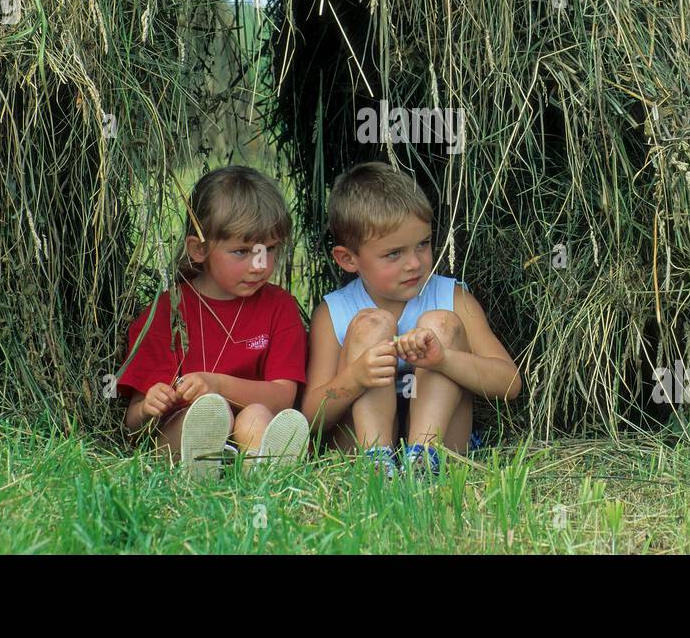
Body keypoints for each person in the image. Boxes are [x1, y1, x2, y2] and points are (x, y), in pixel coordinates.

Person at [300, 161, 521, 475]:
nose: (415, 263)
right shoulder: (333, 312)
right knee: (369, 325)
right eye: (394, 253)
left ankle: (422, 460)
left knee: (440, 324)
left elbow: (509, 383)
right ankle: (376, 461)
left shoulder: (453, 299)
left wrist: (444, 360)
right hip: (357, 449)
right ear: (348, 259)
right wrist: (355, 377)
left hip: (445, 446)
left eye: (423, 245)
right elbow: (311, 418)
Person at [117, 165, 309, 479]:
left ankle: (264, 472)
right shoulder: (168, 311)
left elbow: (283, 396)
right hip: (182, 436)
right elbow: (133, 424)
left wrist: (218, 384)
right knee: (202, 412)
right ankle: (201, 469)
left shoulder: (279, 307)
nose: (259, 265)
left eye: (268, 250)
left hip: (249, 431)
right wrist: (149, 407)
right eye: (241, 252)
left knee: (258, 414)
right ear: (199, 249)